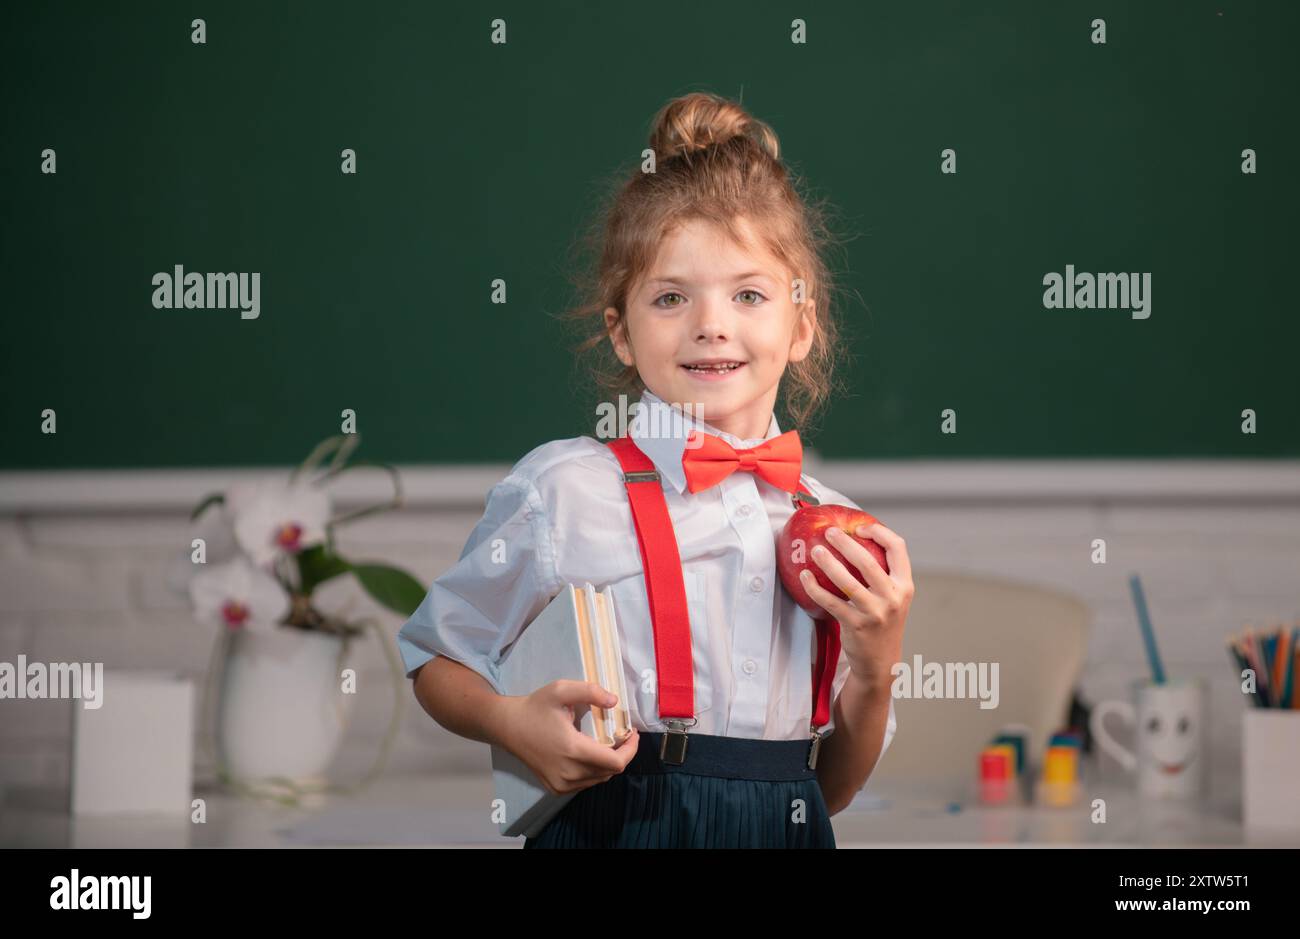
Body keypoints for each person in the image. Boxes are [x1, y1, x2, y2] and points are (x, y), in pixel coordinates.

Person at [398, 91, 912, 848]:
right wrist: (510, 722)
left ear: (801, 325)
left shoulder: (836, 534)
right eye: (671, 297)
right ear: (622, 334)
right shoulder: (565, 489)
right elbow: (436, 653)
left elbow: (825, 792)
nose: (711, 323)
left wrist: (877, 663)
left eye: (748, 294)